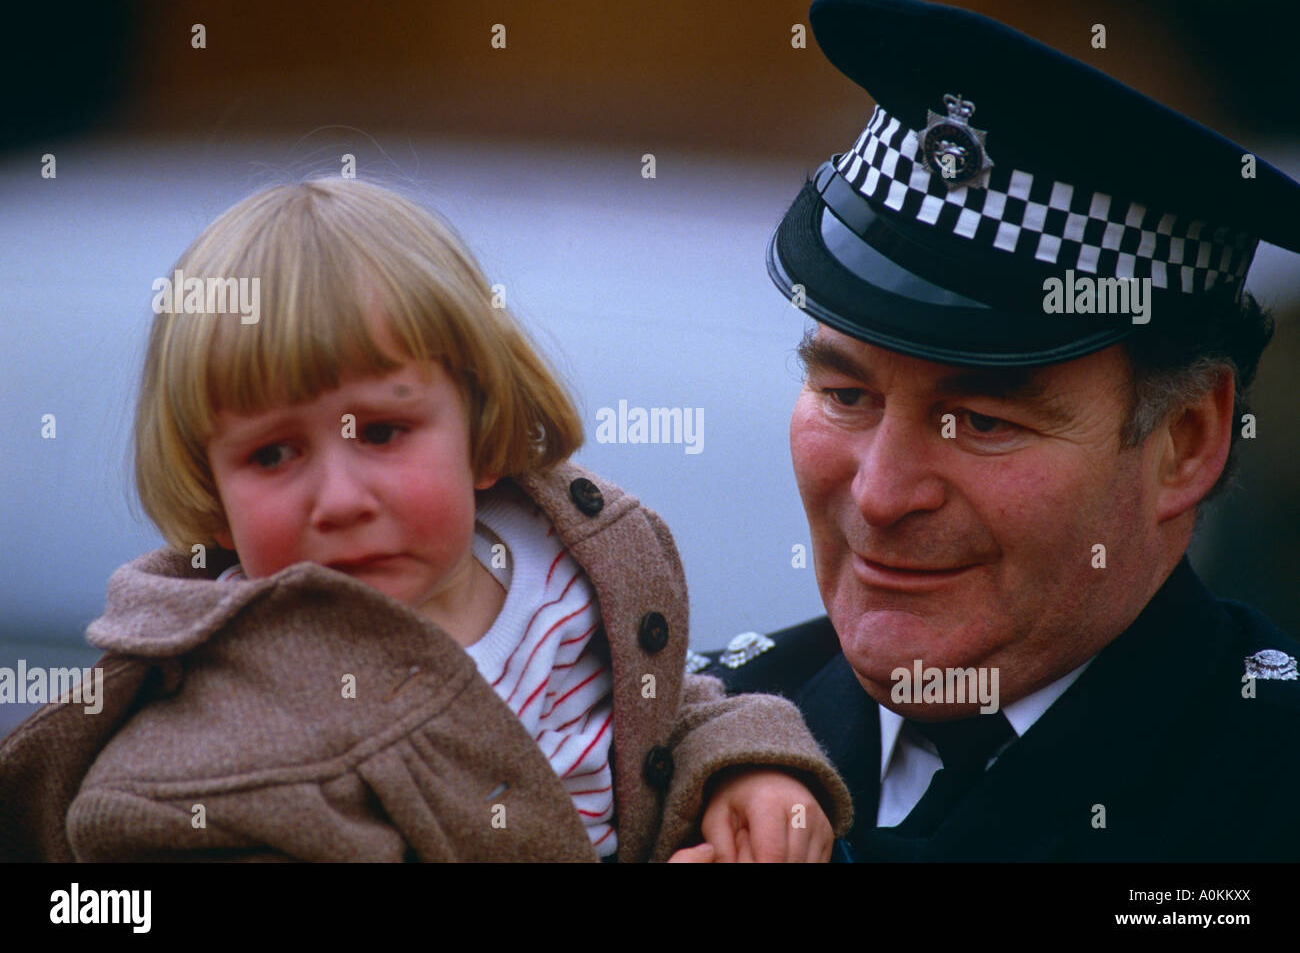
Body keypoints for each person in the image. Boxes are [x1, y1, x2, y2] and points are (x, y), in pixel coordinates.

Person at [0, 178, 851, 862]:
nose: (338, 499)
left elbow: (665, 712)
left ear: (483, 437)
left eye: (381, 431)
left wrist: (749, 771)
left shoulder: (572, 569)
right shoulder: (206, 760)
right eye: (271, 455)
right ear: (210, 492)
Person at [694, 0, 1300, 861]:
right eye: (846, 396)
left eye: (980, 420)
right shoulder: (670, 742)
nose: (881, 493)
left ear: (1188, 442)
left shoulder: (1270, 789)